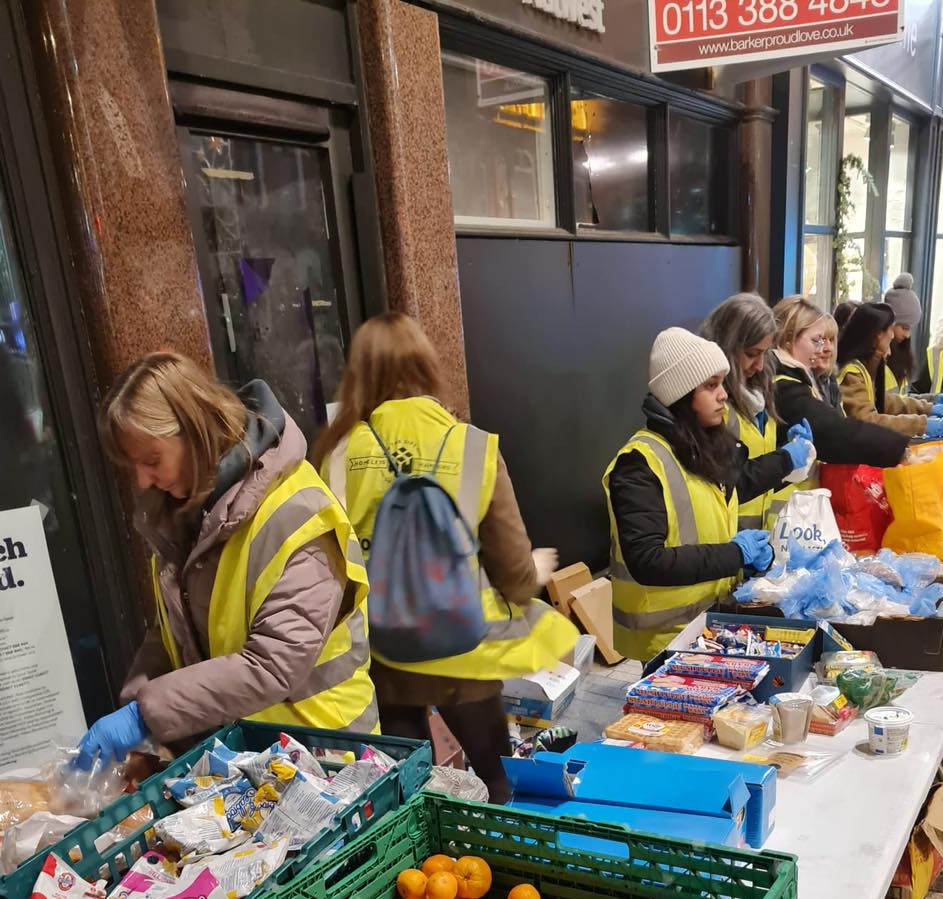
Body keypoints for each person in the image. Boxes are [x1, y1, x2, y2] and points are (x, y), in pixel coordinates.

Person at [311, 312, 575, 802]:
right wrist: (534, 569)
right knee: (499, 784)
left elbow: (327, 573)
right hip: (464, 655)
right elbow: (515, 577)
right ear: (428, 366)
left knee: (404, 794)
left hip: (382, 657)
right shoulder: (472, 446)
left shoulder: (337, 454)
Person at [77, 352, 377, 766]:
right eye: (133, 466)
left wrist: (146, 715)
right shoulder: (182, 518)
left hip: (327, 760)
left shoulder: (297, 512)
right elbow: (175, 633)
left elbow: (273, 664)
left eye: (151, 461)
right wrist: (137, 701)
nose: (143, 480)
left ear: (197, 431)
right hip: (253, 762)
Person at [601, 327, 774, 662]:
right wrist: (734, 554)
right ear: (680, 395)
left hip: (709, 630)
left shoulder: (704, 452)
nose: (724, 395)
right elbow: (648, 560)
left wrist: (745, 564)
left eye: (722, 383)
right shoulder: (640, 463)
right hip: (664, 644)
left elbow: (707, 526)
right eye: (710, 386)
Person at [698, 293, 814, 529]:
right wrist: (785, 459)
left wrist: (789, 461)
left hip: (758, 543)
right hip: (726, 546)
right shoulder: (712, 407)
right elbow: (726, 484)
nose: (760, 365)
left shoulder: (761, 396)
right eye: (751, 354)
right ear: (727, 346)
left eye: (765, 353)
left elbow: (758, 475)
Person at [770, 296, 911, 467]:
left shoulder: (808, 379)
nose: (824, 348)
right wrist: (898, 447)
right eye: (817, 340)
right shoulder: (785, 385)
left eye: (829, 340)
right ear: (787, 339)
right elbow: (834, 431)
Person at [837, 303, 943, 439]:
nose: (892, 335)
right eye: (890, 329)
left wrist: (926, 406)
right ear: (878, 334)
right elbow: (867, 420)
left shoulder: (864, 367)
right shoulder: (852, 373)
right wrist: (920, 425)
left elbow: (884, 401)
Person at [881, 273, 923, 396]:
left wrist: (930, 400)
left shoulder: (901, 357)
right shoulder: (876, 359)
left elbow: (901, 399)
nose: (907, 335)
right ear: (889, 323)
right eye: (904, 328)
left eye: (910, 329)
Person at [811, 314, 841, 410]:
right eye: (822, 340)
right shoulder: (799, 385)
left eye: (831, 340)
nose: (829, 348)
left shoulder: (831, 381)